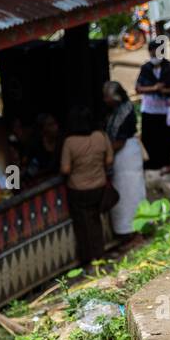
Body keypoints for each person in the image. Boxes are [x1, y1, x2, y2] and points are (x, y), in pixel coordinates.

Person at [60, 105, 112, 268]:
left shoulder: (70, 142)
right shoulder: (101, 136)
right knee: (96, 221)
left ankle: (88, 259)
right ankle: (100, 254)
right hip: (99, 187)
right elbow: (109, 160)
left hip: (78, 190)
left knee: (82, 226)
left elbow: (65, 169)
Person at [102, 80, 145, 244]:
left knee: (131, 194)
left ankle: (135, 232)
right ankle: (128, 232)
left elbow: (120, 141)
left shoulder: (125, 112)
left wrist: (104, 153)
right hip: (122, 157)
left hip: (126, 156)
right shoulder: (116, 110)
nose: (105, 100)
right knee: (125, 194)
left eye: (107, 97)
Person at [135, 39, 170, 172]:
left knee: (167, 137)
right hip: (149, 109)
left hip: (166, 109)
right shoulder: (146, 68)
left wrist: (167, 90)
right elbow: (138, 88)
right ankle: (151, 164)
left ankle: (167, 164)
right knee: (149, 136)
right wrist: (154, 88)